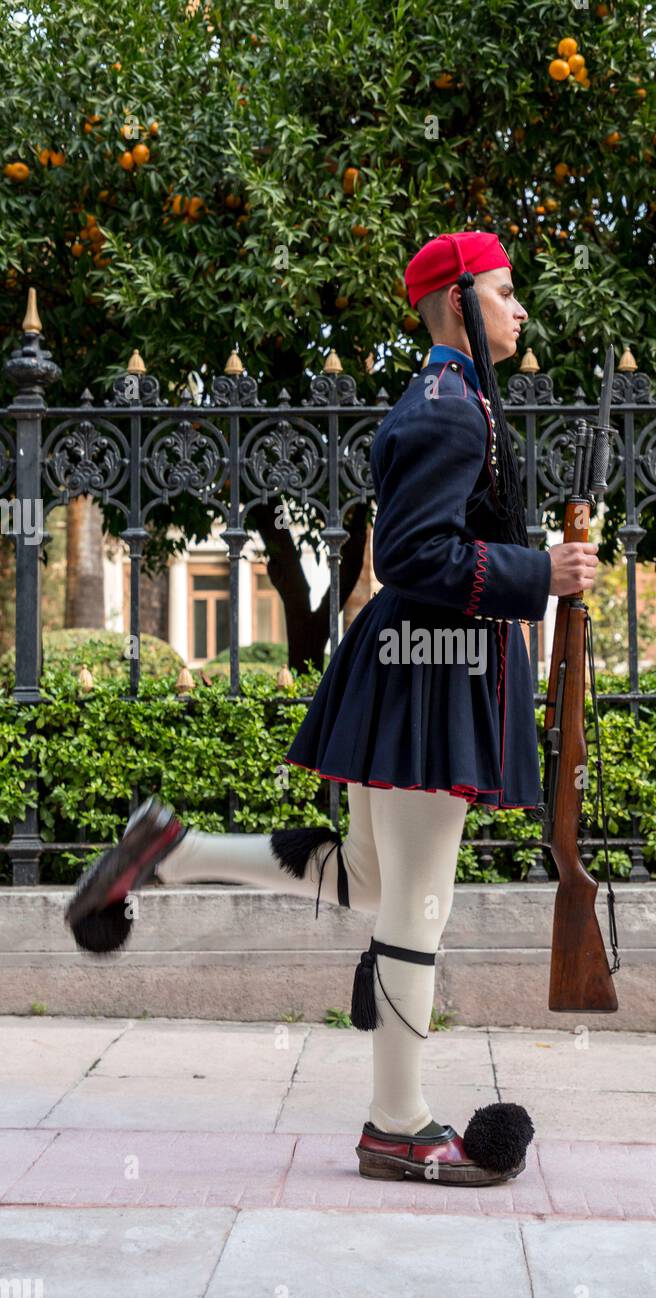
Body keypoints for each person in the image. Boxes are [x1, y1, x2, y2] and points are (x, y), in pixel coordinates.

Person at [65, 230, 599, 1186]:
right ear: (460, 300)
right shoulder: (451, 412)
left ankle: (169, 851)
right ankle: (398, 1125)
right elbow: (410, 554)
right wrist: (542, 573)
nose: (521, 311)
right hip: (431, 682)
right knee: (417, 905)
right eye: (508, 293)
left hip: (413, 670)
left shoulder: (455, 400)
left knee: (363, 879)